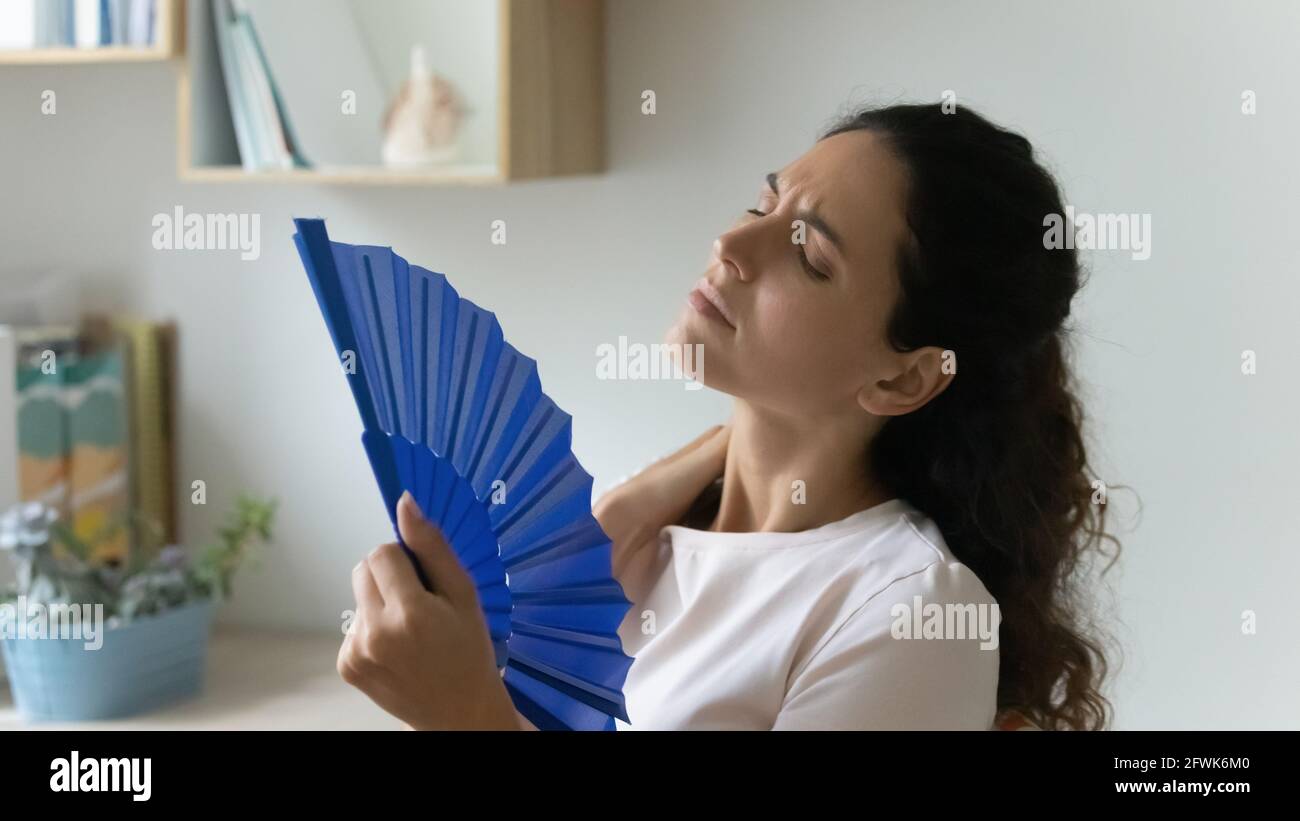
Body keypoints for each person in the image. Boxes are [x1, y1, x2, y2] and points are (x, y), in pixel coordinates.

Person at [337, 102, 1121, 731]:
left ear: (904, 377)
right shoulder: (637, 548)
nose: (734, 242)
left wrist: (468, 719)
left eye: (810, 256)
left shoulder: (909, 611)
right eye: (763, 203)